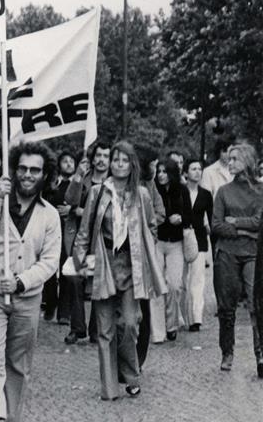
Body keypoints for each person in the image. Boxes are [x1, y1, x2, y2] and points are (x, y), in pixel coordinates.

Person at [0, 141, 61, 422]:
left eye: (35, 170)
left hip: (27, 300)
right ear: (14, 170)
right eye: (22, 168)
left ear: (45, 174)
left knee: (18, 366)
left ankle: (12, 416)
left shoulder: (49, 214)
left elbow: (49, 261)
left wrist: (22, 281)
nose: (27, 175)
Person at [72, 141, 167, 401]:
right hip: (104, 263)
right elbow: (85, 229)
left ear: (132, 164)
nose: (119, 165)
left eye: (125, 161)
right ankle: (109, 388)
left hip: (131, 265)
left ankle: (131, 374)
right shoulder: (97, 192)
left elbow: (152, 227)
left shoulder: (142, 194)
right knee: (104, 329)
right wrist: (80, 260)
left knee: (129, 323)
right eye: (116, 160)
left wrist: (145, 247)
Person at [212, 143, 263, 374]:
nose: (229, 163)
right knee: (226, 306)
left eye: (234, 159)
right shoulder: (223, 192)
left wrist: (237, 223)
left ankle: (260, 354)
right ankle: (227, 352)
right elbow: (217, 225)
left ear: (247, 162)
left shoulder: (260, 191)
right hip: (227, 254)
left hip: (253, 254)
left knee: (256, 306)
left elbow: (259, 223)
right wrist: (245, 229)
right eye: (228, 158)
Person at [63, 142, 112, 344]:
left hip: (102, 239)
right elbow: (69, 199)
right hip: (79, 238)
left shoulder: (113, 182)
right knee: (75, 280)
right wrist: (77, 176)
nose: (101, 159)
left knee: (99, 283)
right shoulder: (84, 178)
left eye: (105, 156)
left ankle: (95, 328)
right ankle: (77, 327)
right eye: (98, 155)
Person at [153, 158, 191, 342]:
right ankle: (158, 331)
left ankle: (172, 324)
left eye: (164, 171)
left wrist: (181, 218)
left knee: (175, 285)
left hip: (176, 243)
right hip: (157, 242)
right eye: (158, 171)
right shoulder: (153, 190)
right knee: (157, 285)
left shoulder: (182, 190)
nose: (161, 175)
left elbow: (191, 216)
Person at [41, 151, 76, 324]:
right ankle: (50, 303)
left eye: (71, 161)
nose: (69, 164)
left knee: (66, 272)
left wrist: (72, 210)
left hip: (68, 233)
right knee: (48, 270)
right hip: (50, 232)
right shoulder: (52, 184)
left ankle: (64, 313)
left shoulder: (77, 185)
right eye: (65, 161)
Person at [183, 159, 213, 332]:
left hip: (200, 240)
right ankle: (180, 316)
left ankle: (196, 318)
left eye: (200, 169)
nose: (197, 172)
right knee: (180, 281)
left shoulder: (206, 194)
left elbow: (211, 217)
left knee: (198, 279)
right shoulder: (179, 191)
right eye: (193, 169)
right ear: (186, 172)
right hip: (182, 238)